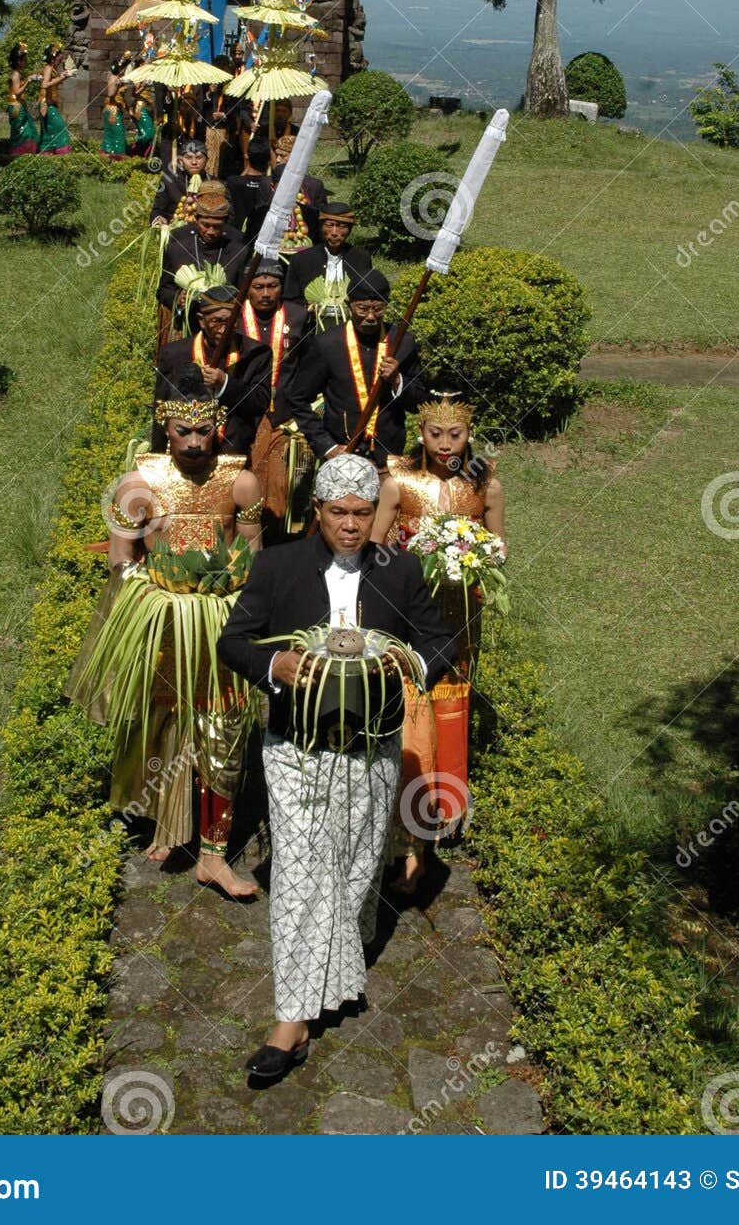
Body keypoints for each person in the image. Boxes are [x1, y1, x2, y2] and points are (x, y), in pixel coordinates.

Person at [219, 454, 456, 1080]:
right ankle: (290, 1023)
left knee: (352, 869)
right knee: (299, 870)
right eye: (337, 513)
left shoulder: (399, 571)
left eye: (361, 513)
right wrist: (277, 669)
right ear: (316, 511)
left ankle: (339, 969)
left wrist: (407, 667)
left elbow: (440, 641)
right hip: (294, 749)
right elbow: (233, 641)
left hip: (371, 749)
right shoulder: (277, 566)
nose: (350, 526)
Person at [68, 369, 263, 897]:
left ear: (219, 427)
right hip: (161, 622)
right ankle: (163, 821)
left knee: (223, 726)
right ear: (165, 428)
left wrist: (233, 602)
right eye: (183, 432)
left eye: (203, 432)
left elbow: (253, 557)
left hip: (220, 624)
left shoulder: (240, 480)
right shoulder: (139, 483)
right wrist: (157, 603)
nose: (195, 443)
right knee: (163, 718)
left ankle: (214, 852)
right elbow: (120, 559)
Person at [374, 394, 506, 890]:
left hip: (460, 620)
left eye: (456, 435)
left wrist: (472, 554)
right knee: (412, 720)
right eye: (435, 434)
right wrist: (411, 559)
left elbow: (500, 549)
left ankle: (439, 821)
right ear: (420, 433)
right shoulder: (399, 483)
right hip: (409, 618)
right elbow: (375, 548)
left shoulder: (485, 486)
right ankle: (405, 842)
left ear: (469, 434)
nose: (446, 444)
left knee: (450, 717)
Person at [287, 271, 426, 469]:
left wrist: (398, 381)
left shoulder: (403, 342)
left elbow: (420, 402)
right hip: (341, 453)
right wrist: (326, 446)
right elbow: (298, 398)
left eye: (378, 309)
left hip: (388, 455)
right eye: (363, 309)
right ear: (349, 305)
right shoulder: (327, 344)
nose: (370, 317)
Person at [155, 283, 272, 457]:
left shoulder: (256, 354)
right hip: (186, 451)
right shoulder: (174, 354)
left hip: (233, 451)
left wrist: (225, 383)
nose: (224, 330)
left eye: (230, 322)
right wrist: (157, 453)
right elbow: (160, 408)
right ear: (201, 320)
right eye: (217, 321)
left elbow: (260, 403)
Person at [240, 261, 312, 537]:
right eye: (258, 287)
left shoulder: (297, 316)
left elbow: (307, 362)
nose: (266, 293)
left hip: (283, 413)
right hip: (244, 412)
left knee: (280, 483)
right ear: (248, 289)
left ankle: (277, 537)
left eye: (273, 286)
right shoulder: (235, 316)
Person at [156, 181, 250, 321]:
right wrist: (178, 299)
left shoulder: (239, 251)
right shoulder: (176, 248)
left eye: (217, 227)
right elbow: (163, 290)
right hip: (187, 321)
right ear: (196, 219)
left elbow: (244, 292)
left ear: (225, 222)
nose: (211, 232)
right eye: (205, 225)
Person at [282, 202, 373, 312]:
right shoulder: (302, 259)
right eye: (329, 225)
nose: (334, 232)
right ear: (321, 227)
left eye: (342, 226)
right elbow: (291, 298)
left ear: (350, 230)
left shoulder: (360, 259)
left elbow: (366, 296)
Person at [270, 132, 326, 255]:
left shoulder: (314, 186)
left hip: (306, 244)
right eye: (276, 155)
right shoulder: (268, 183)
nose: (278, 160)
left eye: (282, 155)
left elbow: (321, 220)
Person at [150, 137, 211, 227]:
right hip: (175, 232)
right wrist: (159, 218)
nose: (194, 162)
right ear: (181, 161)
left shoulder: (215, 183)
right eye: (189, 157)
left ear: (207, 161)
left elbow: (228, 217)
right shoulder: (169, 182)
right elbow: (157, 210)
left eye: (199, 157)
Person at [6, 43, 39, 156]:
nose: (26, 62)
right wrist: (28, 81)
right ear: (19, 61)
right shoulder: (16, 75)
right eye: (24, 60)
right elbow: (17, 92)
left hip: (19, 106)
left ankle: (25, 154)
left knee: (28, 131)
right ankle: (18, 154)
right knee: (22, 133)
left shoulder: (18, 74)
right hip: (16, 107)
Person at [38, 44, 71, 153]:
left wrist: (62, 77)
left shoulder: (53, 69)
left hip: (51, 104)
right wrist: (61, 77)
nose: (60, 61)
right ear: (53, 58)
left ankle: (47, 153)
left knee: (49, 131)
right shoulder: (48, 68)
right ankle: (61, 153)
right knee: (60, 128)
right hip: (46, 104)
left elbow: (53, 83)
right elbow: (45, 84)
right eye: (58, 59)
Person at [100, 87, 128, 158]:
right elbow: (111, 94)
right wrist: (117, 85)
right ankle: (118, 154)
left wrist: (126, 107)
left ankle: (108, 151)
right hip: (112, 109)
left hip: (117, 109)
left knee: (112, 131)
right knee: (118, 132)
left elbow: (122, 97)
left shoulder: (121, 79)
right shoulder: (113, 78)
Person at [130, 87, 156, 157]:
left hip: (148, 108)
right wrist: (143, 85)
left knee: (147, 132)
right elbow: (134, 94)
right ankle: (134, 148)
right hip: (141, 108)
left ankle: (142, 153)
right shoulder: (139, 79)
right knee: (149, 133)